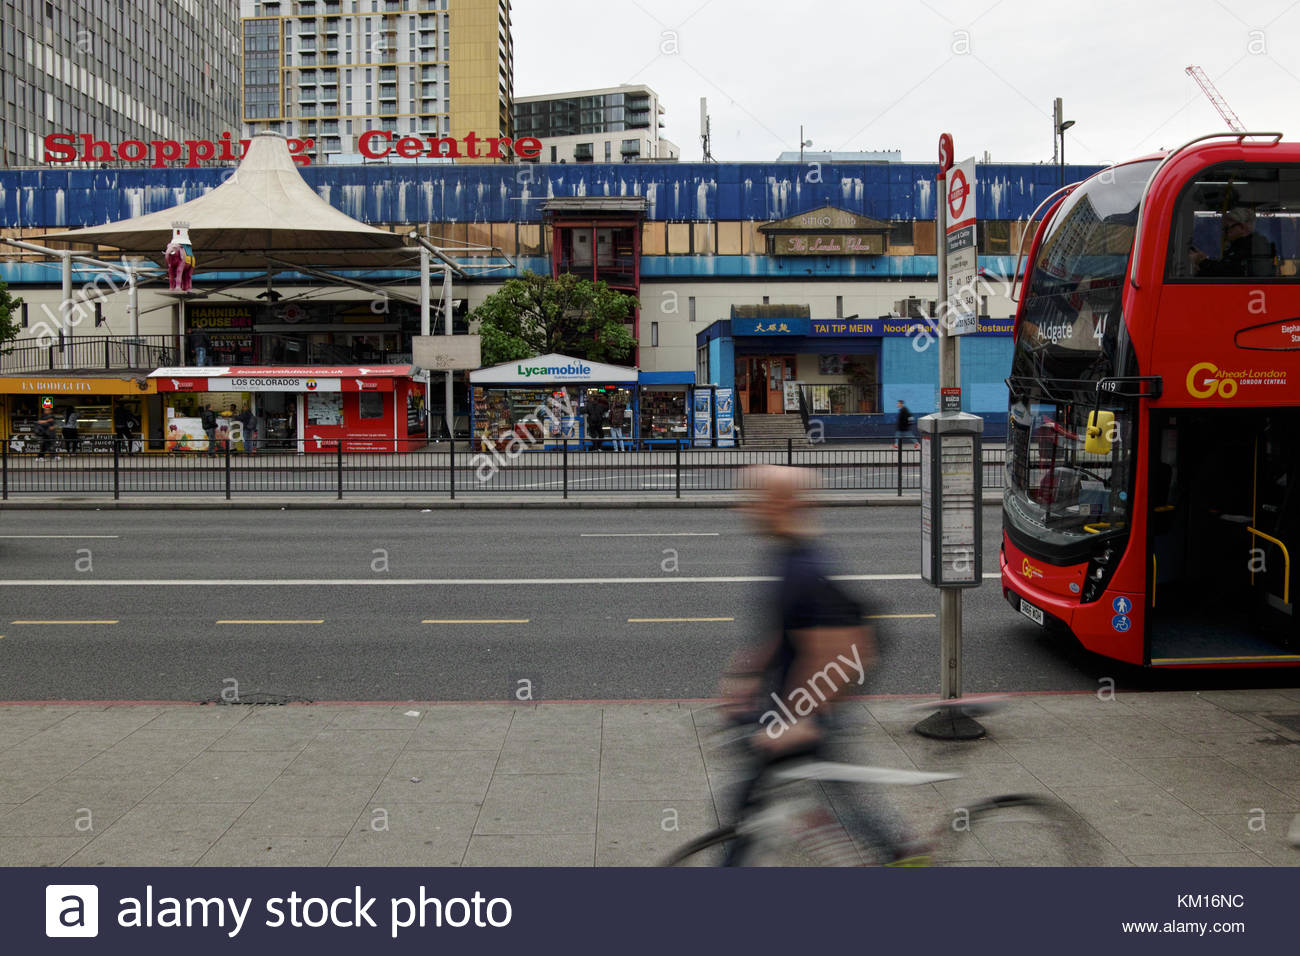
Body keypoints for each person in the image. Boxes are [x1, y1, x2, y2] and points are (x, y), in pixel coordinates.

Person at [718, 465, 926, 865]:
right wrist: (747, 673)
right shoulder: (786, 553)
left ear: (779, 504)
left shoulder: (808, 568)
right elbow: (786, 630)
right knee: (760, 805)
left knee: (833, 807)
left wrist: (801, 721)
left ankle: (905, 858)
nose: (742, 507)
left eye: (752, 498)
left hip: (808, 712)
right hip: (788, 707)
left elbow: (847, 653)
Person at [1190, 206, 1278, 278]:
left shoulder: (1254, 247)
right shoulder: (1240, 246)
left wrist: (1203, 263)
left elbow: (1229, 272)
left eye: (1227, 228)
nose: (1224, 233)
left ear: (1242, 228)